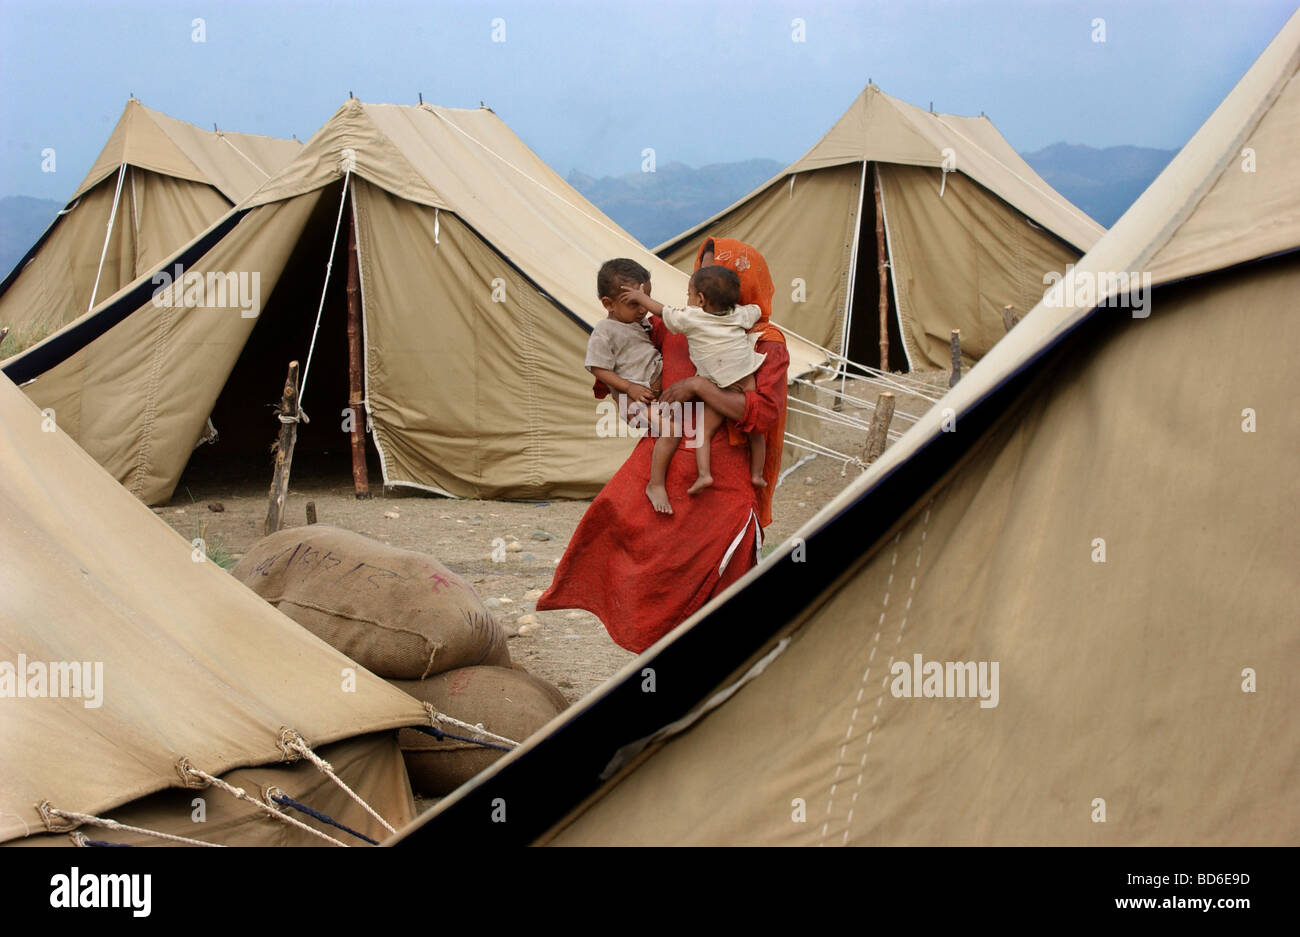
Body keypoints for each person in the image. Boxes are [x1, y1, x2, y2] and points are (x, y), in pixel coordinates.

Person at [538, 238, 788, 653]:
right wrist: (623, 379)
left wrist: (698, 386)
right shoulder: (676, 324)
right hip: (663, 467)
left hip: (720, 485)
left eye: (716, 279)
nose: (702, 288)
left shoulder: (764, 342)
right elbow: (625, 340)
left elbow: (762, 413)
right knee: (636, 561)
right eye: (698, 278)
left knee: (718, 591)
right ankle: (662, 670)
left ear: (740, 287)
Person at [619, 265, 766, 514]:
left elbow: (665, 312)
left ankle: (704, 474)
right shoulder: (740, 314)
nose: (686, 299)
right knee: (755, 427)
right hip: (744, 376)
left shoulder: (692, 318)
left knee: (702, 433)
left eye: (689, 293)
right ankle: (757, 475)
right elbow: (757, 310)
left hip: (716, 382)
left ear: (700, 299)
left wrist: (641, 297)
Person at [584, 258, 662, 425]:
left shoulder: (640, 322)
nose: (643, 308)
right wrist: (627, 388)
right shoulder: (604, 330)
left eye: (645, 300)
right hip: (639, 396)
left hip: (659, 383)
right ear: (609, 304)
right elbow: (597, 367)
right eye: (635, 303)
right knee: (669, 431)